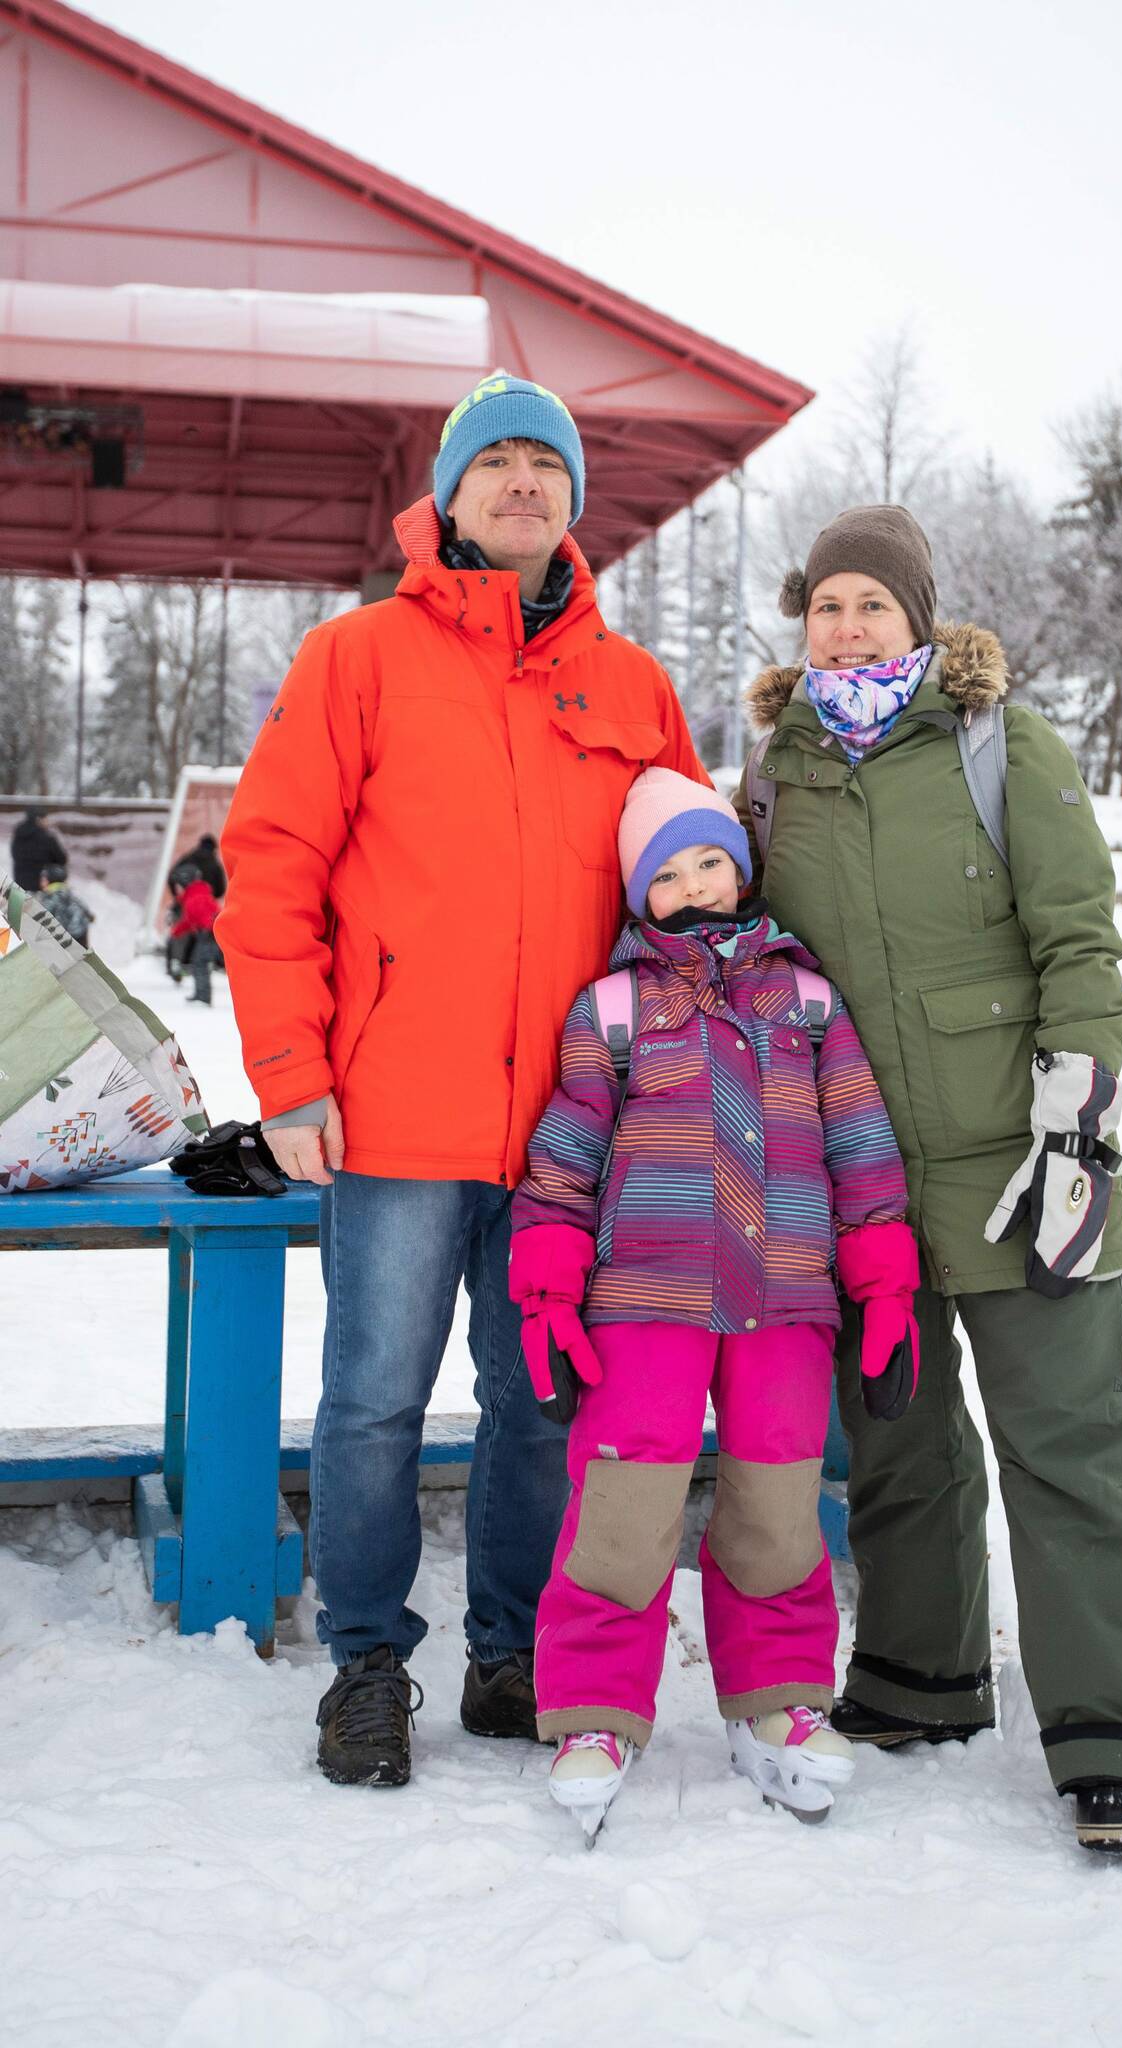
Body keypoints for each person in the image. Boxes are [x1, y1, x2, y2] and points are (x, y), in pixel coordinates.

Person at [217, 370, 706, 1788]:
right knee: (373, 1396)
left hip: (567, 1128)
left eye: (543, 466)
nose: (519, 486)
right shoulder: (357, 656)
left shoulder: (631, 688)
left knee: (537, 1397)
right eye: (491, 463)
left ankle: (510, 1650)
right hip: (394, 1114)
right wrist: (293, 1076)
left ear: (571, 500)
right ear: (447, 494)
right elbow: (273, 867)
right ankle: (367, 1663)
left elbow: (687, 902)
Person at [737, 504, 1122, 1855]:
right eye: (825, 605)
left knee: (1068, 1446)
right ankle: (918, 1681)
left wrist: (1079, 1113)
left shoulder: (1003, 744)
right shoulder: (777, 772)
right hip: (860, 1171)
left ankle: (1114, 1739)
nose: (845, 626)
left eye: (870, 604)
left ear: (917, 617)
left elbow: (1079, 939)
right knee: (899, 1441)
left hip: (1020, 1160)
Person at [509, 768, 918, 1837]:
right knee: (625, 1498)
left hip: (786, 1294)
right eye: (667, 875)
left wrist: (881, 1278)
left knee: (779, 1499)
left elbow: (863, 1145)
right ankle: (596, 1709)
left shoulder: (809, 996)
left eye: (709, 862)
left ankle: (780, 1699)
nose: (693, 888)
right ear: (639, 896)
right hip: (647, 1296)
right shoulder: (612, 1008)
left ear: (741, 867)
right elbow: (564, 1153)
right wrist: (549, 1282)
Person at [170, 872, 219, 1004]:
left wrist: (176, 931)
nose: (177, 889)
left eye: (178, 886)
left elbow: (197, 918)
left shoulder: (195, 897)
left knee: (200, 964)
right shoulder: (196, 895)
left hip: (208, 934)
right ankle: (201, 995)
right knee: (199, 963)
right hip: (209, 933)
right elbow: (190, 920)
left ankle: (203, 997)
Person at [10, 808, 67, 892]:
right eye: (46, 819)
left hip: (20, 885)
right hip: (42, 886)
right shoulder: (47, 838)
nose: (48, 822)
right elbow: (62, 859)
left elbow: (14, 854)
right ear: (39, 819)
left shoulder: (18, 836)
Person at [38, 862, 94, 946]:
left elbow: (43, 914)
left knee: (73, 956)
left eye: (43, 880)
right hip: (81, 930)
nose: (41, 882)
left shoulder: (52, 897)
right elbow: (80, 903)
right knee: (83, 953)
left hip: (68, 936)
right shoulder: (66, 891)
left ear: (50, 880)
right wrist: (89, 915)